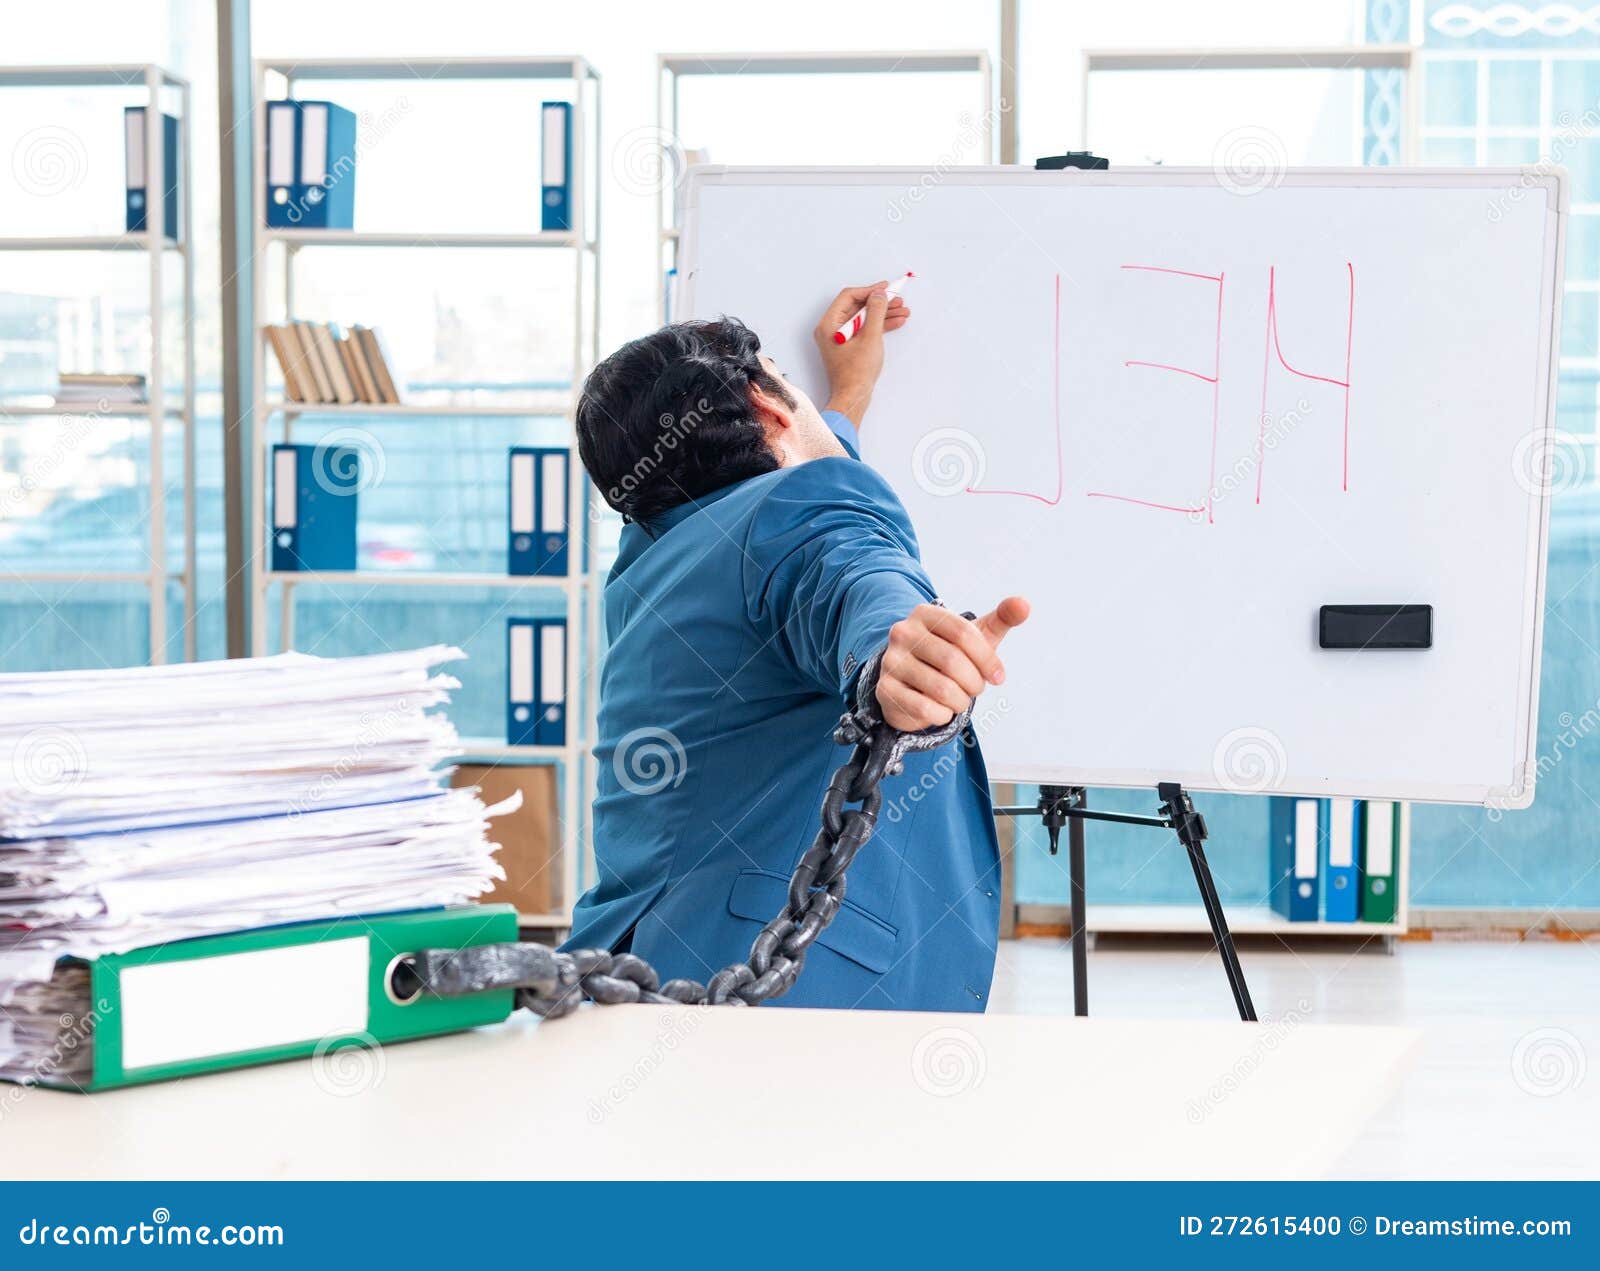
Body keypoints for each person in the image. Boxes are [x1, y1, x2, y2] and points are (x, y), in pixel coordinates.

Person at [567, 281, 1029, 1011]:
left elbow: (791, 523)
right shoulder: (806, 512)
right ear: (768, 408)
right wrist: (891, 660)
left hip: (637, 954)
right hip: (781, 998)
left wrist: (848, 391)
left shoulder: (652, 554)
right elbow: (849, 574)